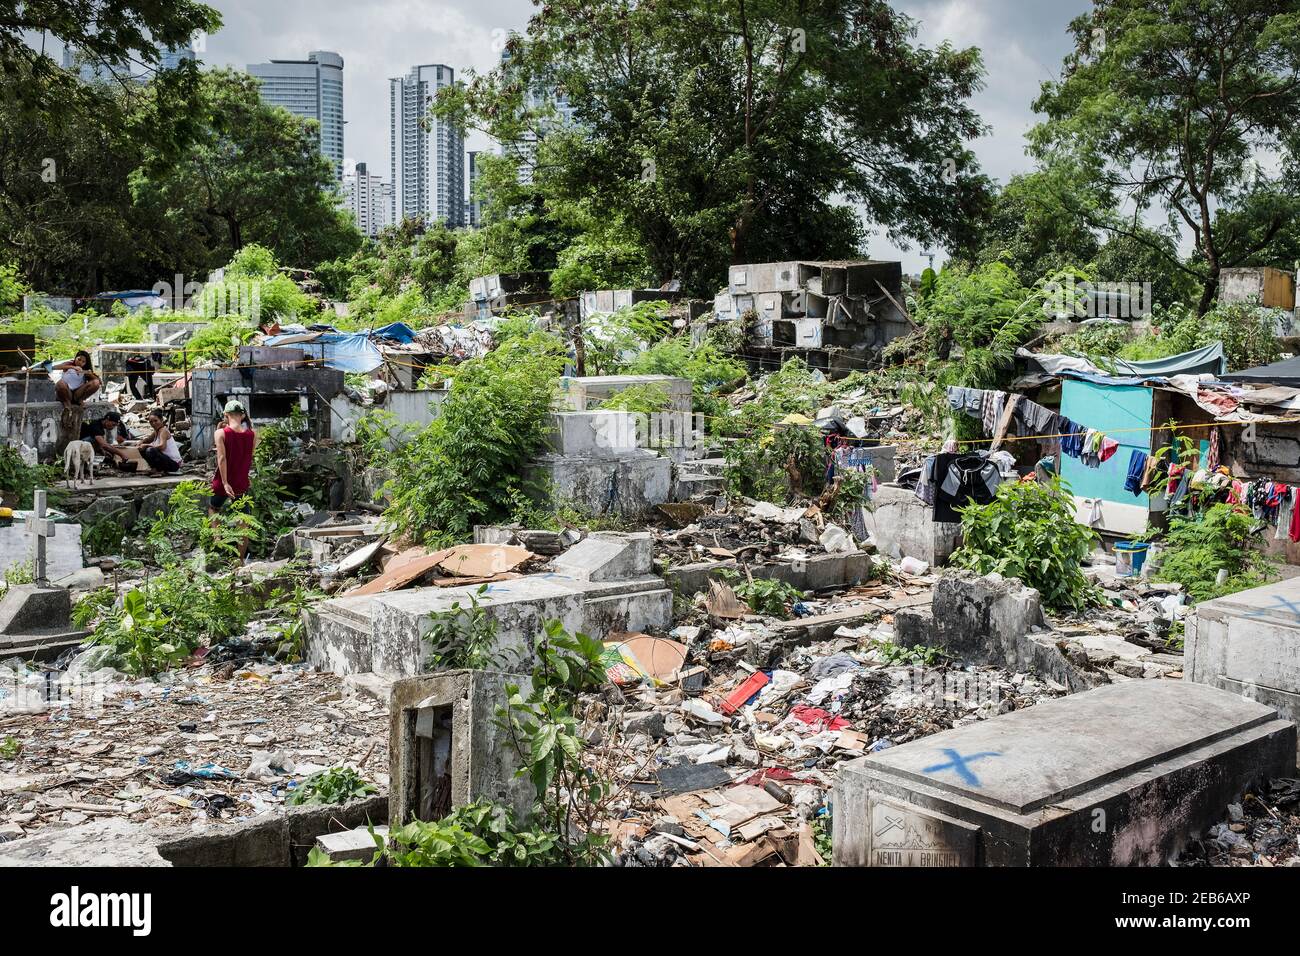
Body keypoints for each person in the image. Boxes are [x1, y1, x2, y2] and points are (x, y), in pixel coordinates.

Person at [210, 400, 257, 557]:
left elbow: (221, 458)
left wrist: (224, 483)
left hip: (224, 481)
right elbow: (249, 456)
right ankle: (240, 559)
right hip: (241, 481)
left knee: (213, 508)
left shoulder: (221, 433)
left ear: (226, 415)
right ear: (242, 415)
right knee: (243, 521)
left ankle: (218, 542)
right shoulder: (252, 434)